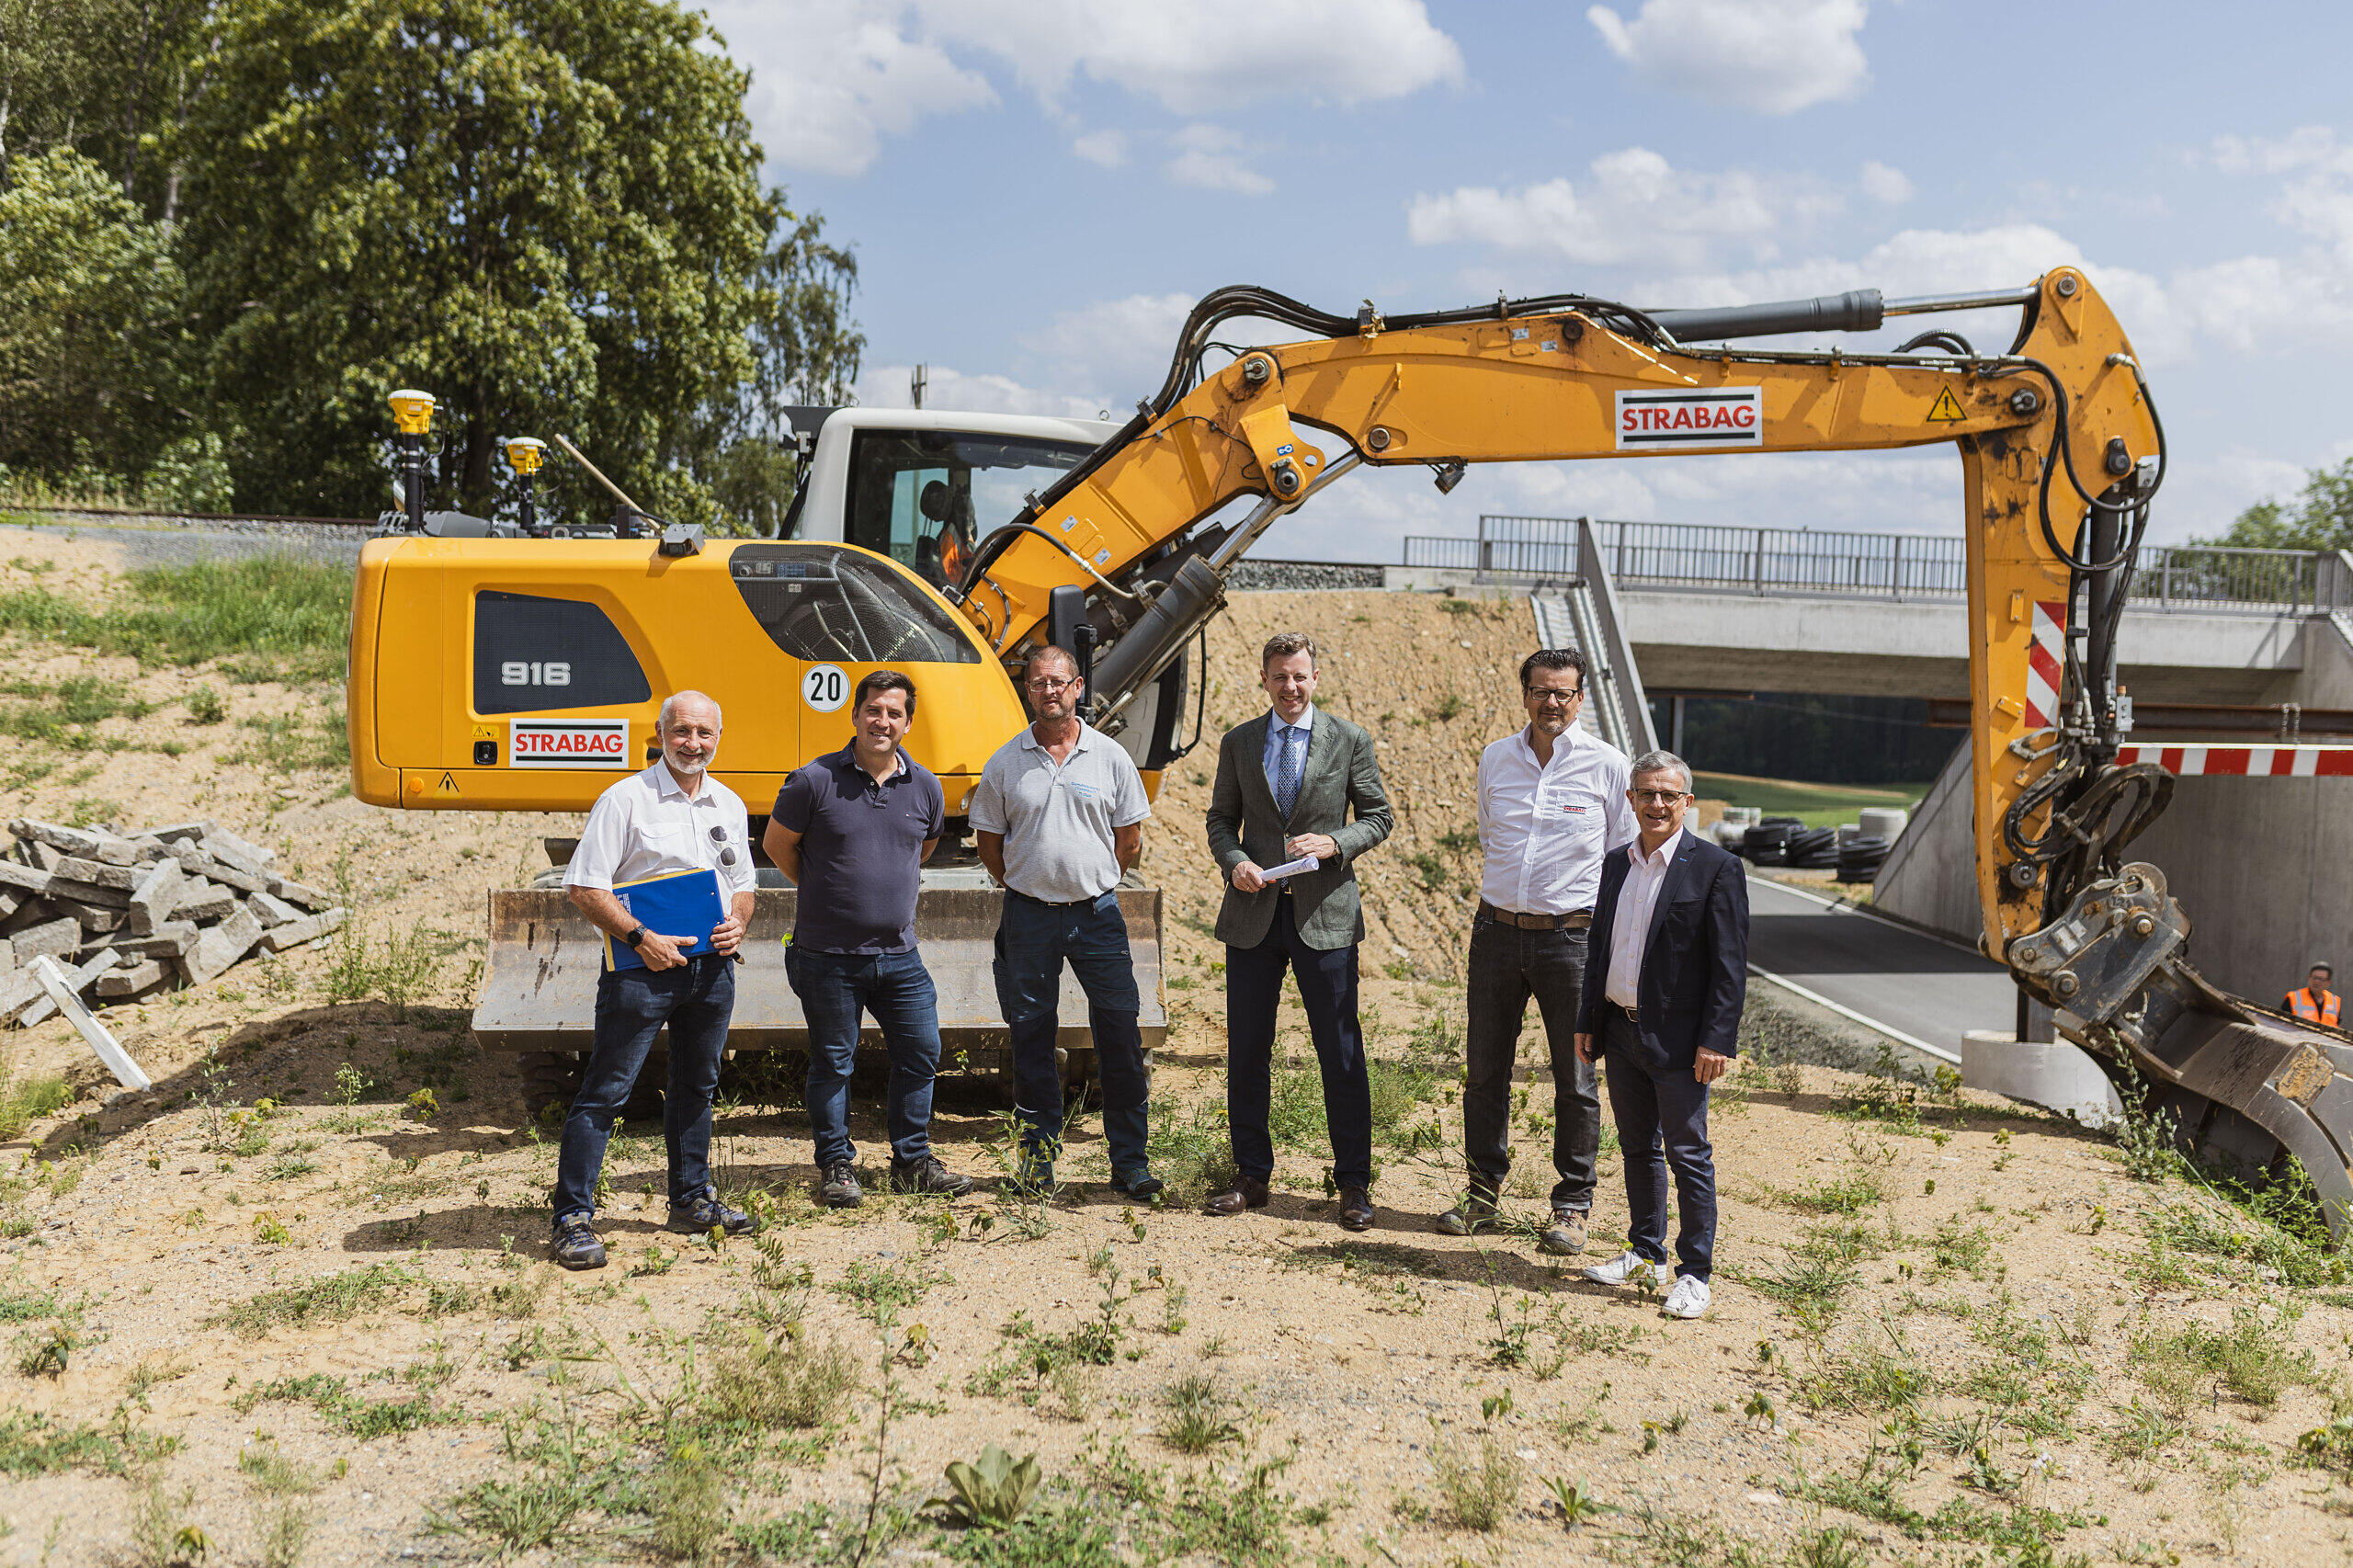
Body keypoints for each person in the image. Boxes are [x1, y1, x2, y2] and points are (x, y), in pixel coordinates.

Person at [1441, 648, 1637, 1253]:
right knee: (1485, 1074)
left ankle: (1572, 1207)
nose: (1552, 703)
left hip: (1572, 944)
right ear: (1524, 693)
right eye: (1541, 691)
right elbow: (1488, 832)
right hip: (1495, 934)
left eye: (1564, 693)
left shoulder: (1608, 766)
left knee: (1576, 1079)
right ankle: (1481, 1194)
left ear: (1581, 698)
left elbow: (1624, 863)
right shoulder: (1496, 759)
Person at [555, 690, 759, 1269]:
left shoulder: (729, 803)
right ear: (661, 733)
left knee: (698, 1085)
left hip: (711, 972)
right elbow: (585, 887)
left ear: (719, 738)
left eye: (704, 733)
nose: (693, 744)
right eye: (682, 732)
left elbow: (742, 884)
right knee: (607, 1091)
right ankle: (572, 1217)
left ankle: (692, 1200)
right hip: (642, 972)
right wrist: (641, 938)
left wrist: (737, 923)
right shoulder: (625, 800)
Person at [1203, 632, 1393, 1231]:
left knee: (1339, 1053)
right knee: (1248, 1051)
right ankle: (1252, 1175)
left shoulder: (1348, 739)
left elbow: (1379, 816)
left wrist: (1337, 841)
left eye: (1300, 677)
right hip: (1254, 918)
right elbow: (1219, 820)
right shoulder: (1239, 742)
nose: (1291, 687)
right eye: (1280, 677)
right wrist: (1234, 862)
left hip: (1325, 918)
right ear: (1264, 679)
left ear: (1316, 678)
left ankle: (1354, 1185)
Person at [764, 670, 974, 1208]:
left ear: (908, 722)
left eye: (895, 713)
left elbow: (920, 851)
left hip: (900, 956)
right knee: (834, 1061)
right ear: (855, 715)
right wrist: (826, 888)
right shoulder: (813, 780)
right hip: (827, 957)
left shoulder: (926, 787)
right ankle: (836, 1165)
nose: (883, 722)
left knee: (922, 1051)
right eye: (874, 710)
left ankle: (912, 1160)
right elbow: (777, 846)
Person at [971, 644, 1156, 1196]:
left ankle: (1130, 1163)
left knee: (1120, 1033)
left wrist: (1089, 881)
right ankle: (1038, 1164)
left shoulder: (1110, 757)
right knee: (1031, 1037)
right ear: (1027, 691)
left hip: (1098, 915)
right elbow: (989, 844)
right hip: (1028, 917)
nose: (1049, 691)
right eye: (1038, 683)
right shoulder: (1006, 762)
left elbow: (1129, 841)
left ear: (1078, 688)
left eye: (1059, 682)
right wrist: (1032, 885)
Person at [1574, 749, 1748, 1320]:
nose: (1656, 804)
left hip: (1680, 1043)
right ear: (1630, 799)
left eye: (1668, 795)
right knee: (1636, 1149)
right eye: (1646, 793)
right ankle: (1645, 1252)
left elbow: (1729, 965)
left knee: (1688, 1154)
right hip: (1621, 1032)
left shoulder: (1716, 869)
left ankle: (1694, 1272)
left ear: (1687, 803)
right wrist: (1587, 1021)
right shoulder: (1615, 865)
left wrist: (1717, 1040)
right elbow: (1600, 950)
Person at [2286, 963, 2342, 1028]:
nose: (2317, 981)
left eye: (2321, 979)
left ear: (2328, 982)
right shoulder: (2293, 997)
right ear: (2309, 978)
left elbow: (2338, 1026)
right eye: (2315, 978)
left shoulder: (2335, 1001)